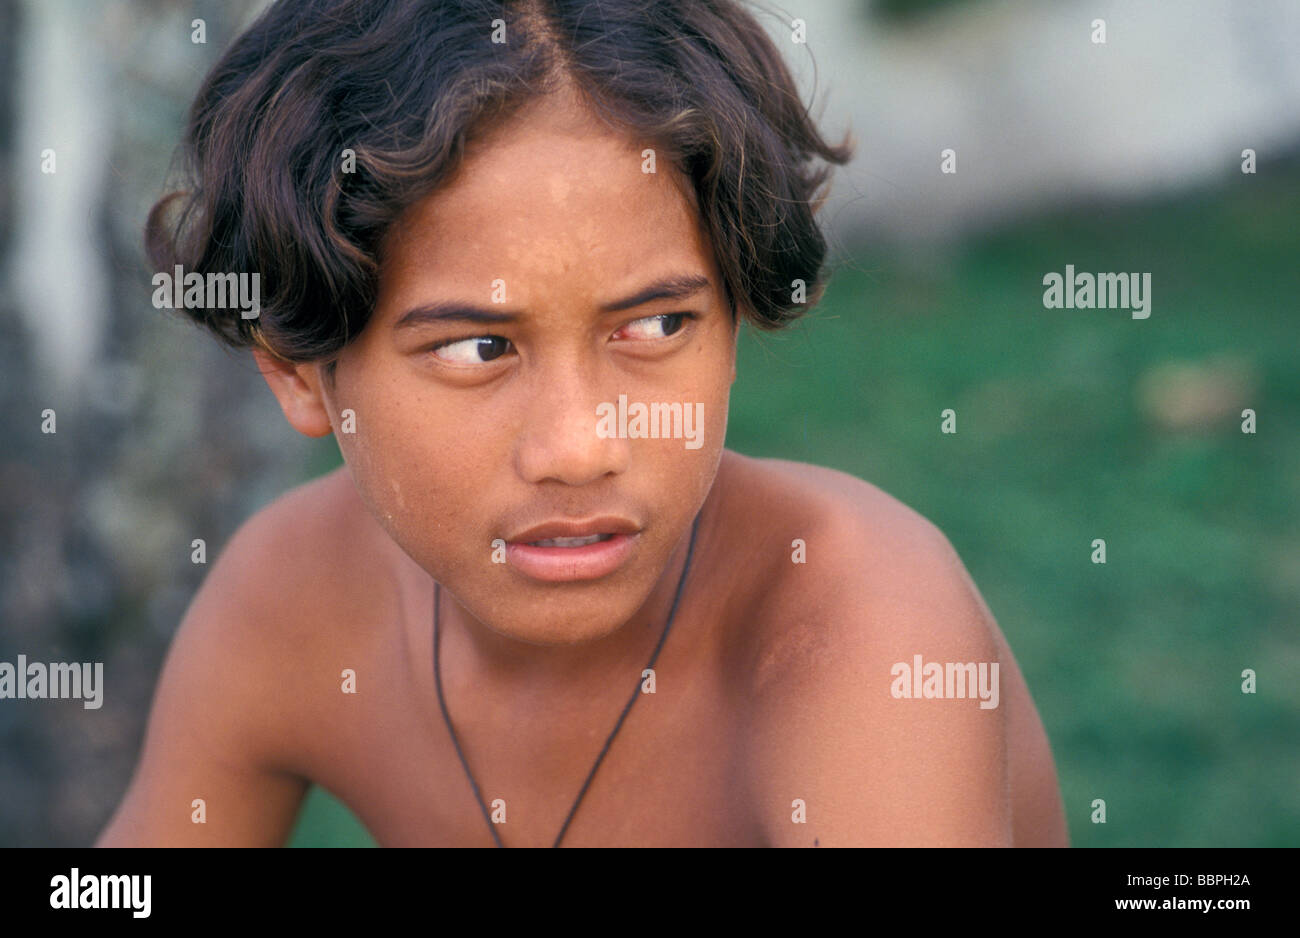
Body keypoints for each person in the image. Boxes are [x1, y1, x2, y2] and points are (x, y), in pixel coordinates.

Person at [97, 0, 1067, 847]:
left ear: (732, 320)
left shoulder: (859, 624)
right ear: (303, 375)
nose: (579, 447)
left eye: (653, 325)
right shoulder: (293, 601)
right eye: (478, 349)